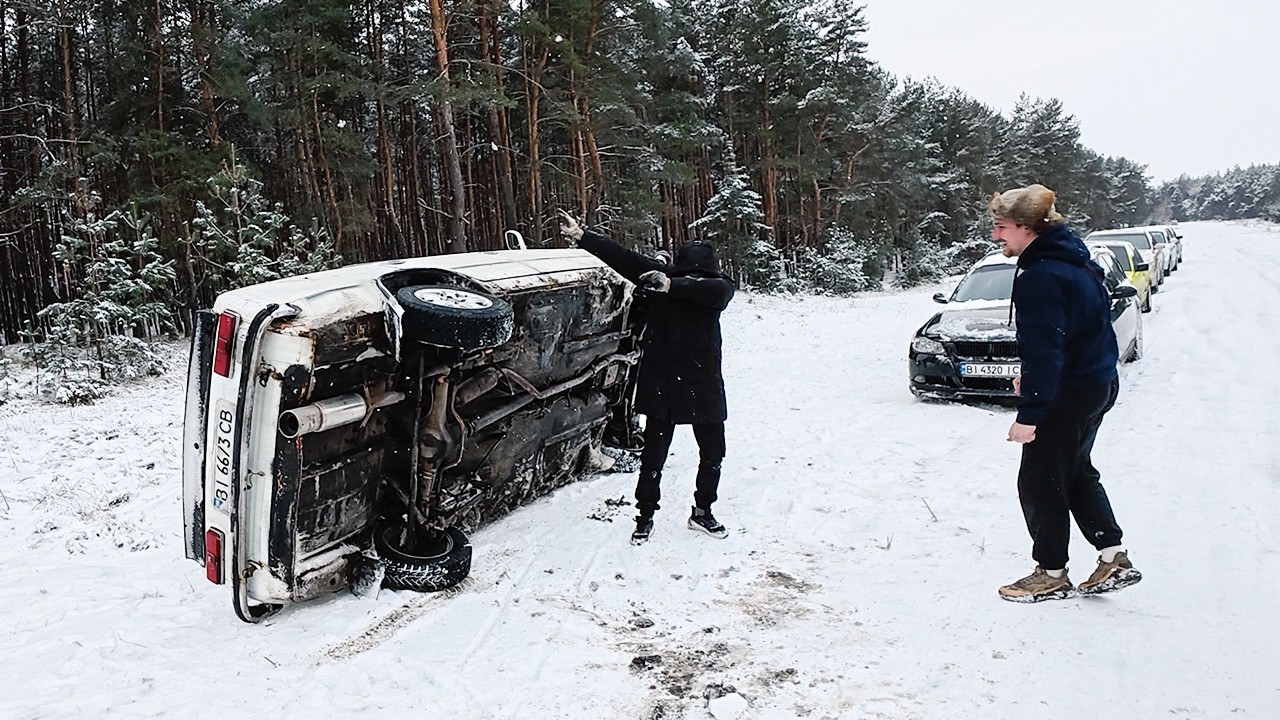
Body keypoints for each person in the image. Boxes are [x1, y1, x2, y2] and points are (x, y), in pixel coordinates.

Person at [989, 184, 1143, 602]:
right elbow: (1084, 334)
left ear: (1026, 228)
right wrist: (1041, 378)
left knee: (1040, 481)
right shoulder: (1076, 262)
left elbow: (1045, 347)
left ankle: (1051, 573)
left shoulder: (1042, 275)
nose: (995, 236)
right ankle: (1113, 556)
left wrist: (1030, 414)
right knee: (1073, 471)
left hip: (1068, 393)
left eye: (1001, 227)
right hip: (1094, 383)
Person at [559, 210, 735, 545]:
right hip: (665, 381)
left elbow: (712, 292)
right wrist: (583, 237)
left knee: (713, 453)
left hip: (702, 383)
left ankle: (703, 512)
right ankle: (645, 516)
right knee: (654, 455)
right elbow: (621, 256)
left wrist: (671, 284)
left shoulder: (716, 287)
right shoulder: (660, 276)